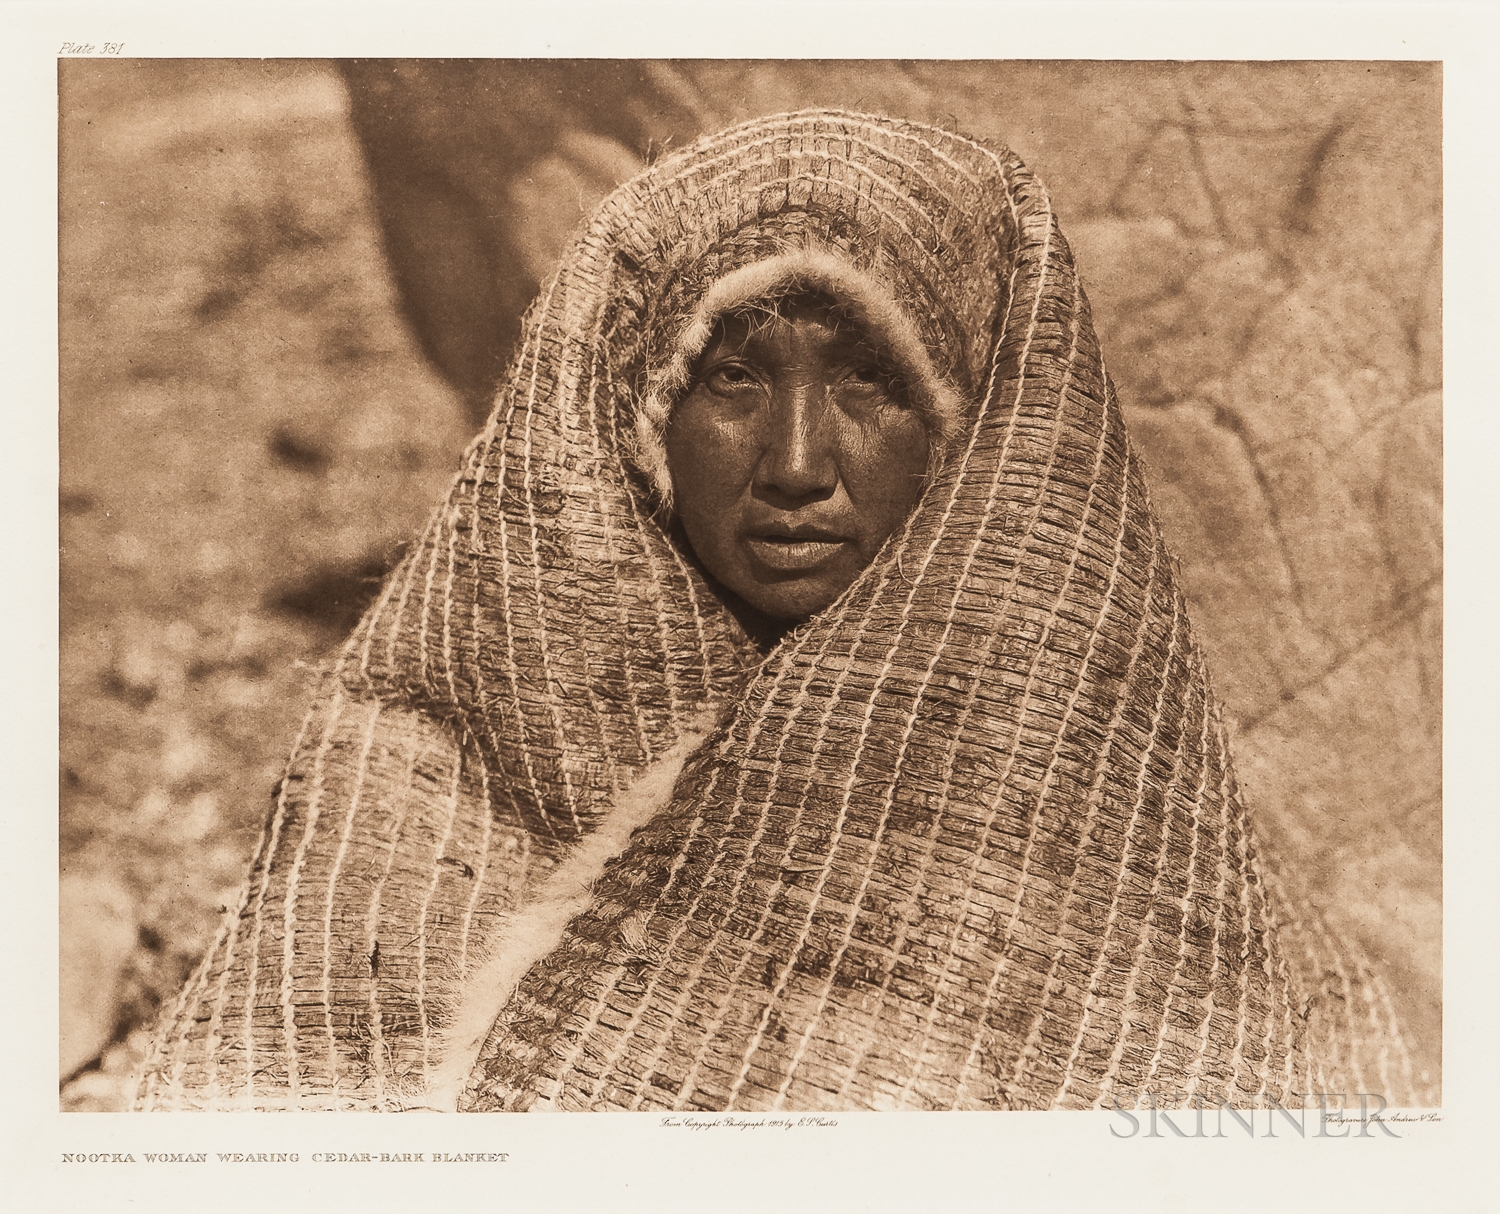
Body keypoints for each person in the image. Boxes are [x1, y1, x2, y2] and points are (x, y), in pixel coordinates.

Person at [133, 109, 1424, 1112]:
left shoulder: (1100, 842)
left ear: (979, 436)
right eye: (732, 377)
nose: (798, 461)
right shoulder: (423, 762)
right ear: (626, 417)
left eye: (872, 383)